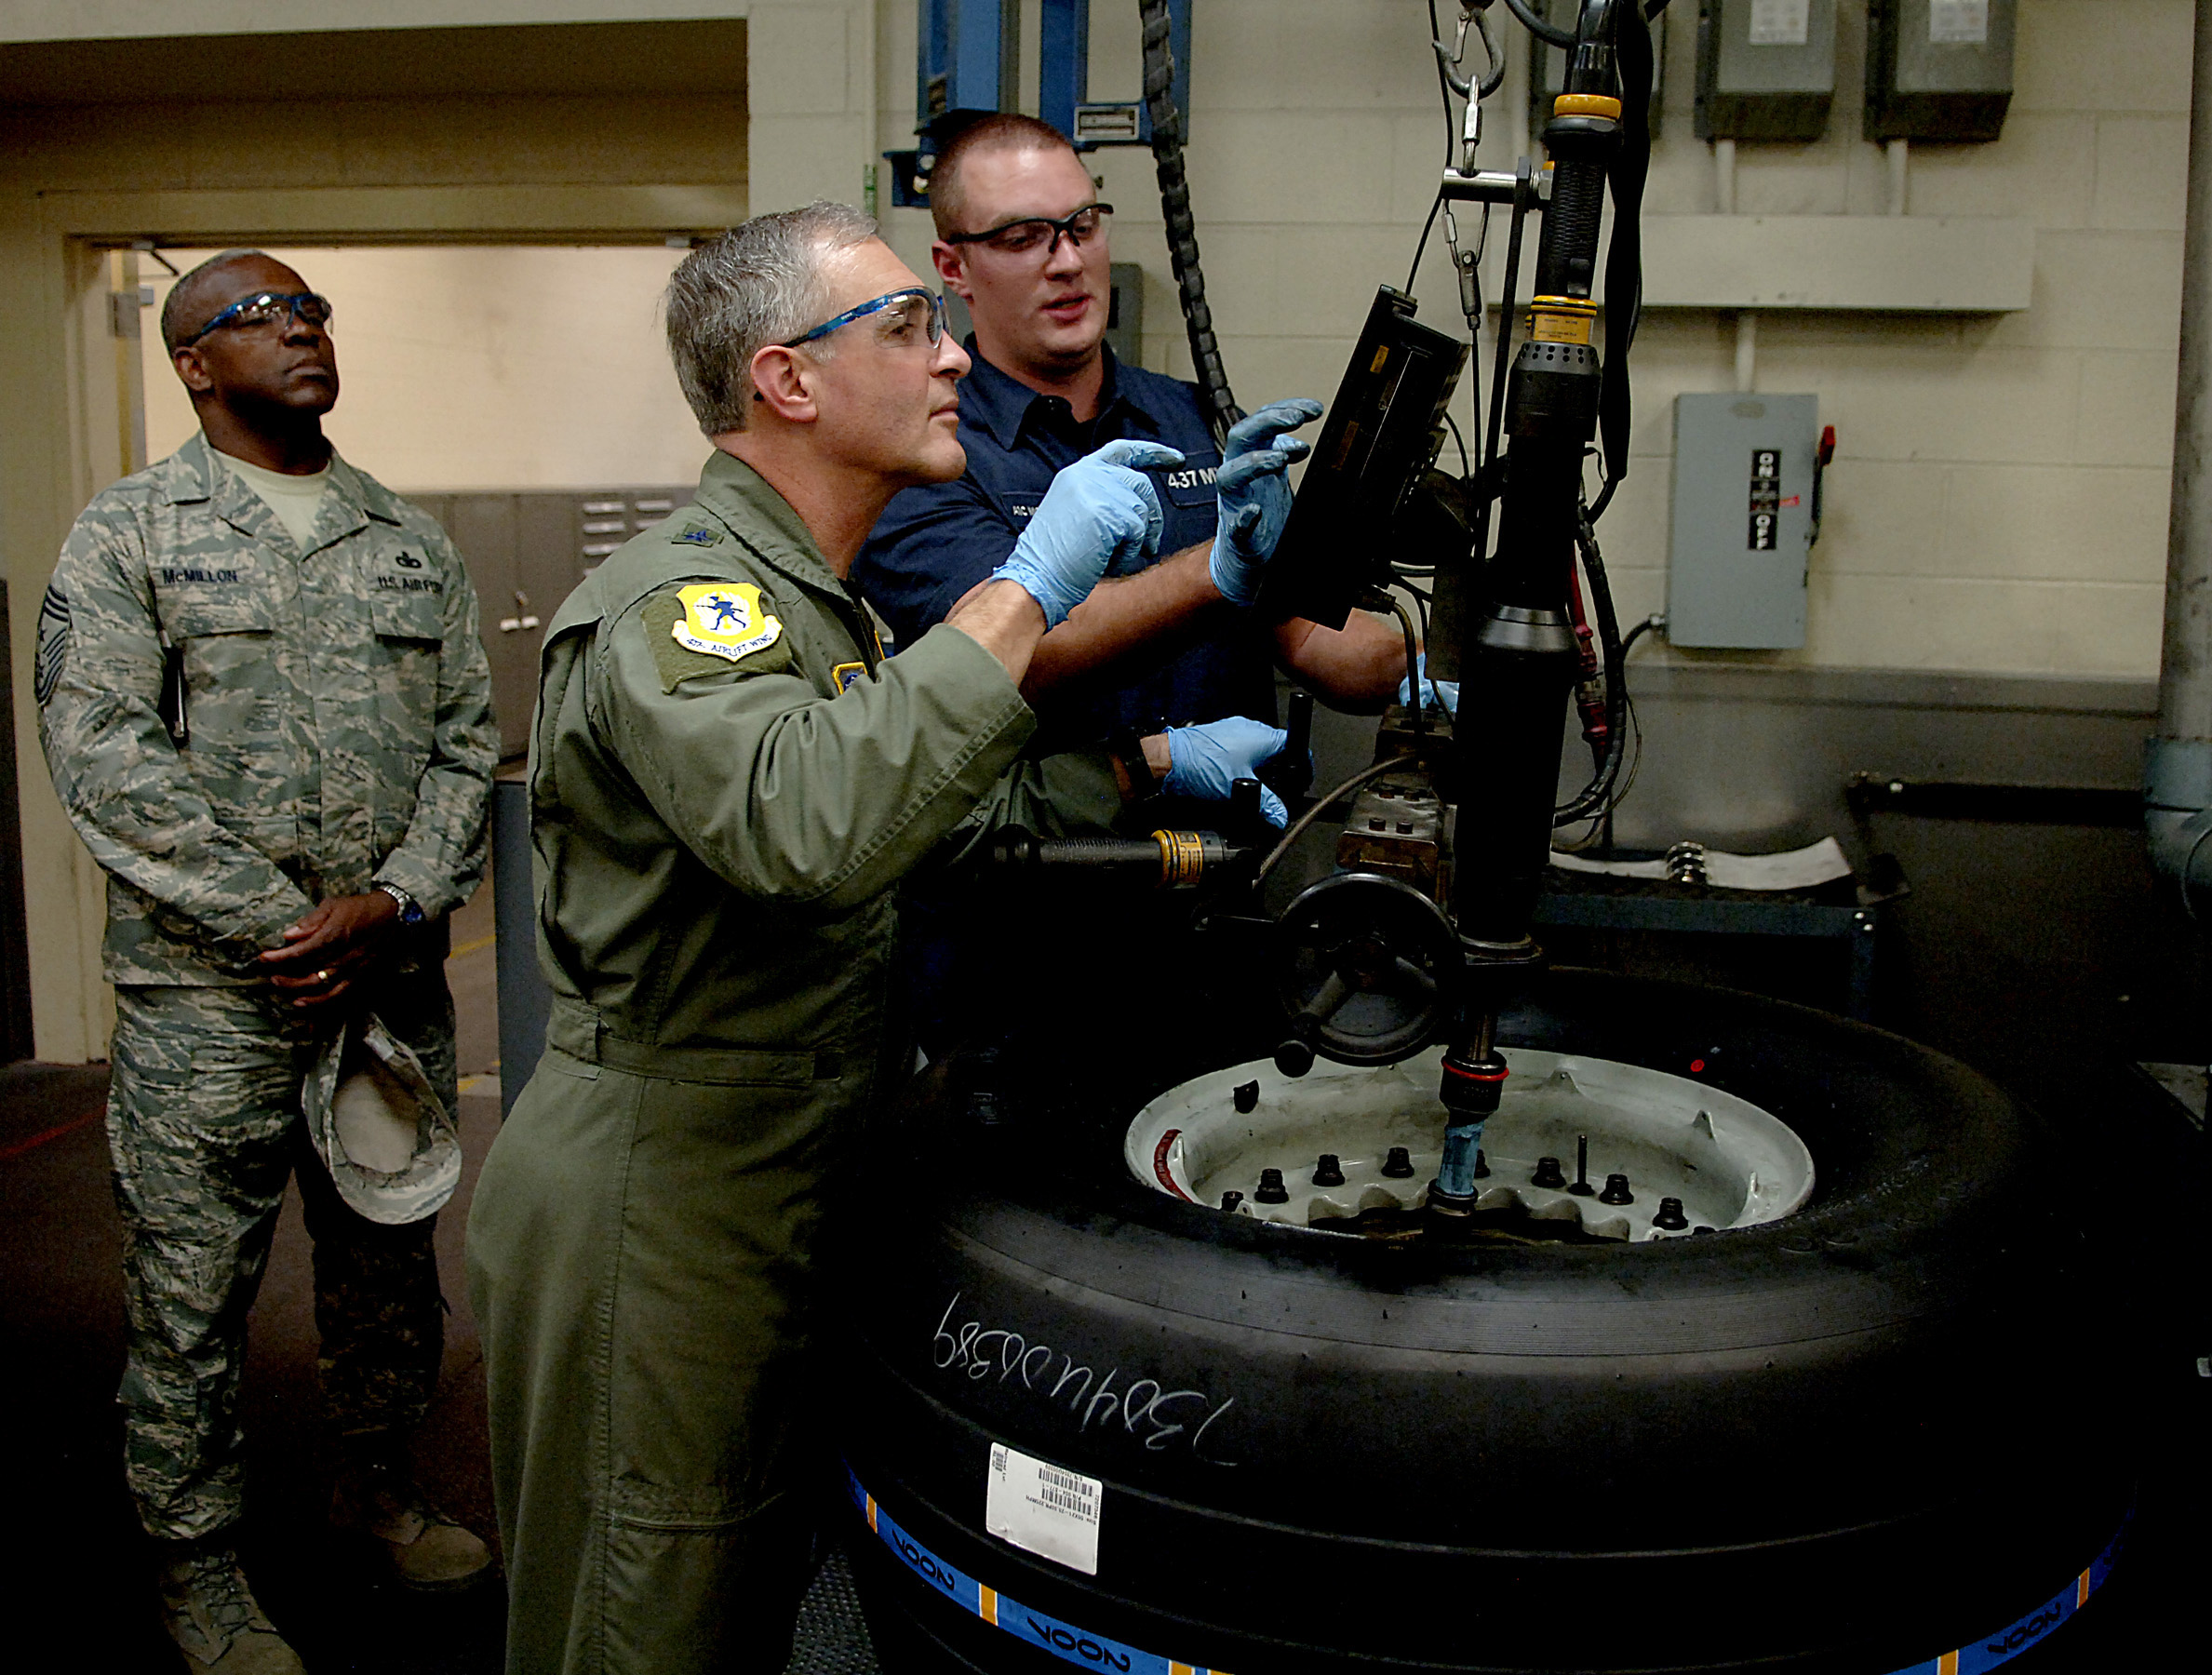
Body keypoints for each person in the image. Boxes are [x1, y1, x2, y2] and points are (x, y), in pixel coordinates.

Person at [463, 200, 1295, 1675]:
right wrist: (1027, 585)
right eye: (908, 327)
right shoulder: (683, 604)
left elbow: (938, 811)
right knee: (641, 1612)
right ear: (787, 381)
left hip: (788, 1165)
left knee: (745, 1585)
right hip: (664, 1199)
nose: (951, 362)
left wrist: (1156, 764)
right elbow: (811, 818)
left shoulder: (812, 607)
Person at [35, 250, 499, 1675]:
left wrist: (404, 903)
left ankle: (374, 1491)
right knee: (193, 1294)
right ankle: (197, 1573)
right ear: (192, 362)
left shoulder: (406, 541)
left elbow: (469, 747)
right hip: (209, 1006)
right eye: (260, 314)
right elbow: (101, 751)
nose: (301, 326)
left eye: (313, 309)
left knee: (384, 1274)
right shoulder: (129, 535)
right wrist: (281, 924)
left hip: (385, 988)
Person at [853, 113, 1414, 1060]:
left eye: (1081, 225)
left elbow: (1328, 652)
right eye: (1023, 238)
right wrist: (1222, 568)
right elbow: (1009, 660)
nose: (1066, 261)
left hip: (1211, 920)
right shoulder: (925, 455)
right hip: (1016, 944)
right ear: (952, 268)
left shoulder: (1192, 418)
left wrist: (1415, 628)